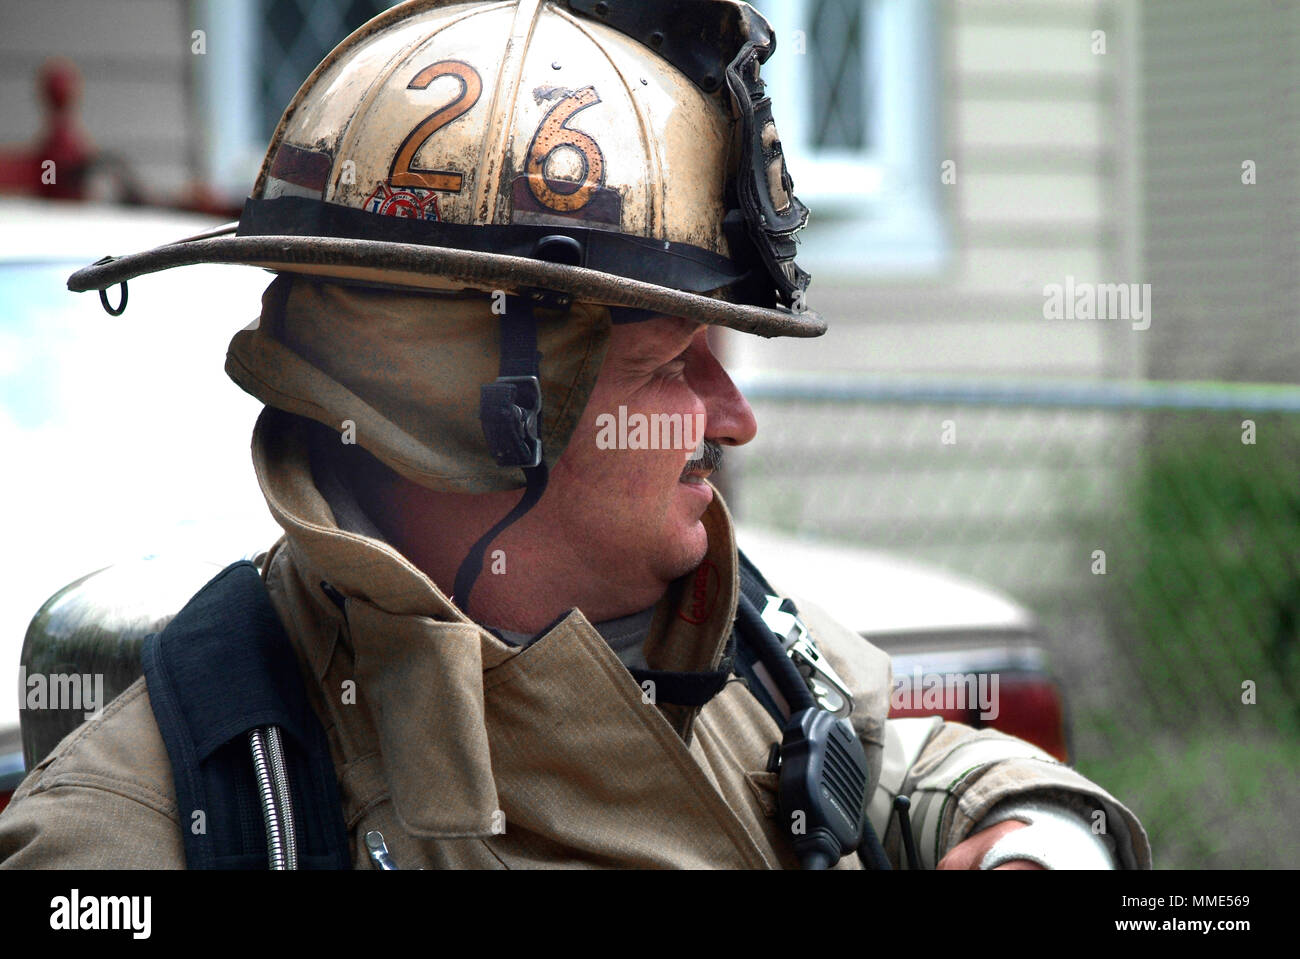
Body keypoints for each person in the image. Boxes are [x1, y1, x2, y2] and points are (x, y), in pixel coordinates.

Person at [0, 0, 1150, 870]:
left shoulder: (728, 645)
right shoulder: (144, 832)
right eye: (671, 365)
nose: (732, 417)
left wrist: (1032, 835)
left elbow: (906, 760)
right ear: (474, 409)